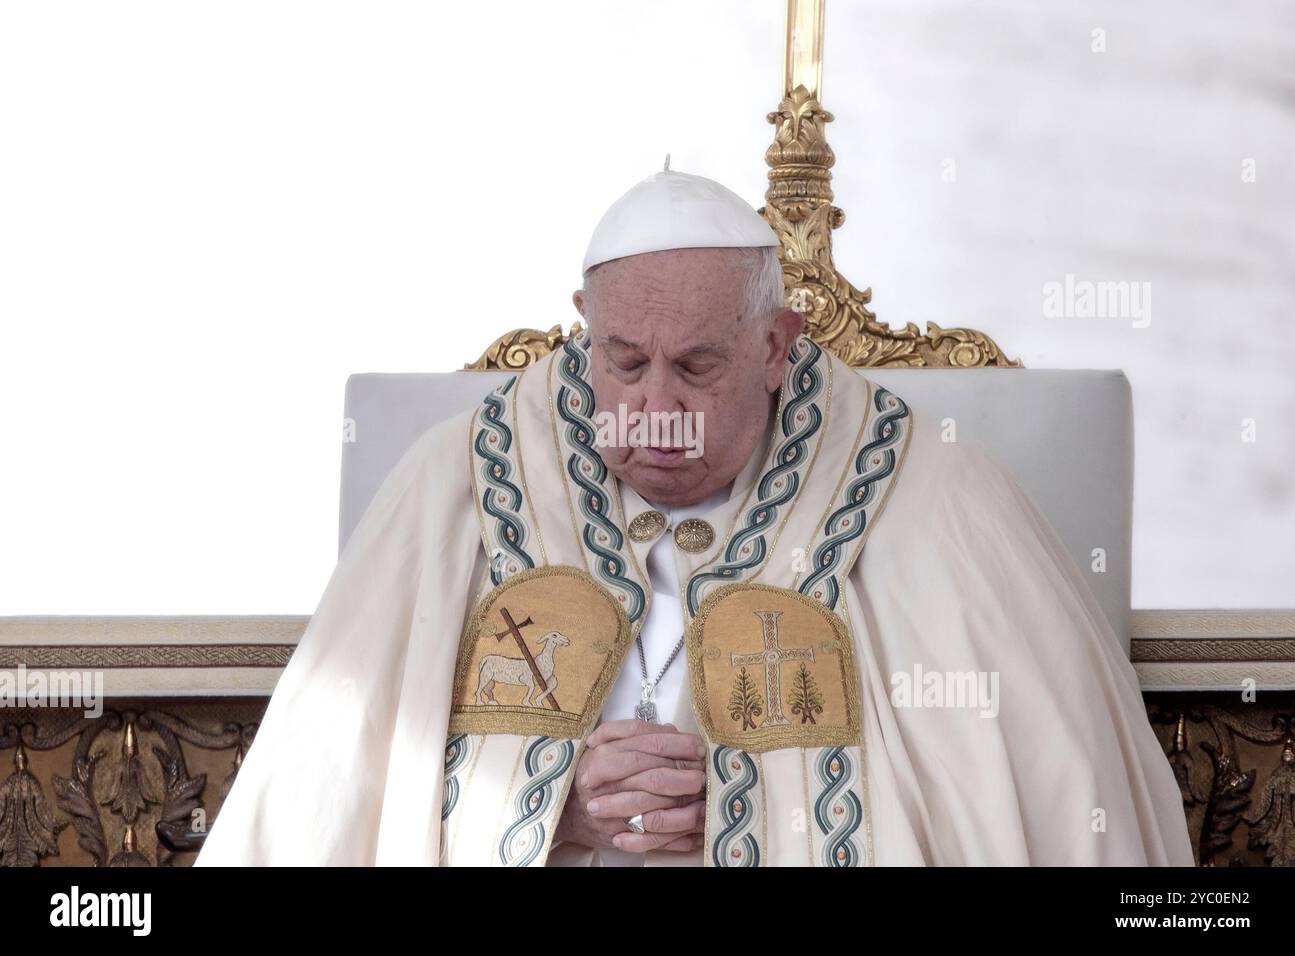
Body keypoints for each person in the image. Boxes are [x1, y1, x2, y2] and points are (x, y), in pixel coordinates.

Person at [195, 168, 1193, 867]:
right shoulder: (459, 483)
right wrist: (548, 801)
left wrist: (755, 805)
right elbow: (341, 792)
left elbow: (1018, 799)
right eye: (623, 361)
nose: (653, 403)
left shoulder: (933, 494)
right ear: (584, 328)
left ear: (774, 345)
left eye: (697, 365)